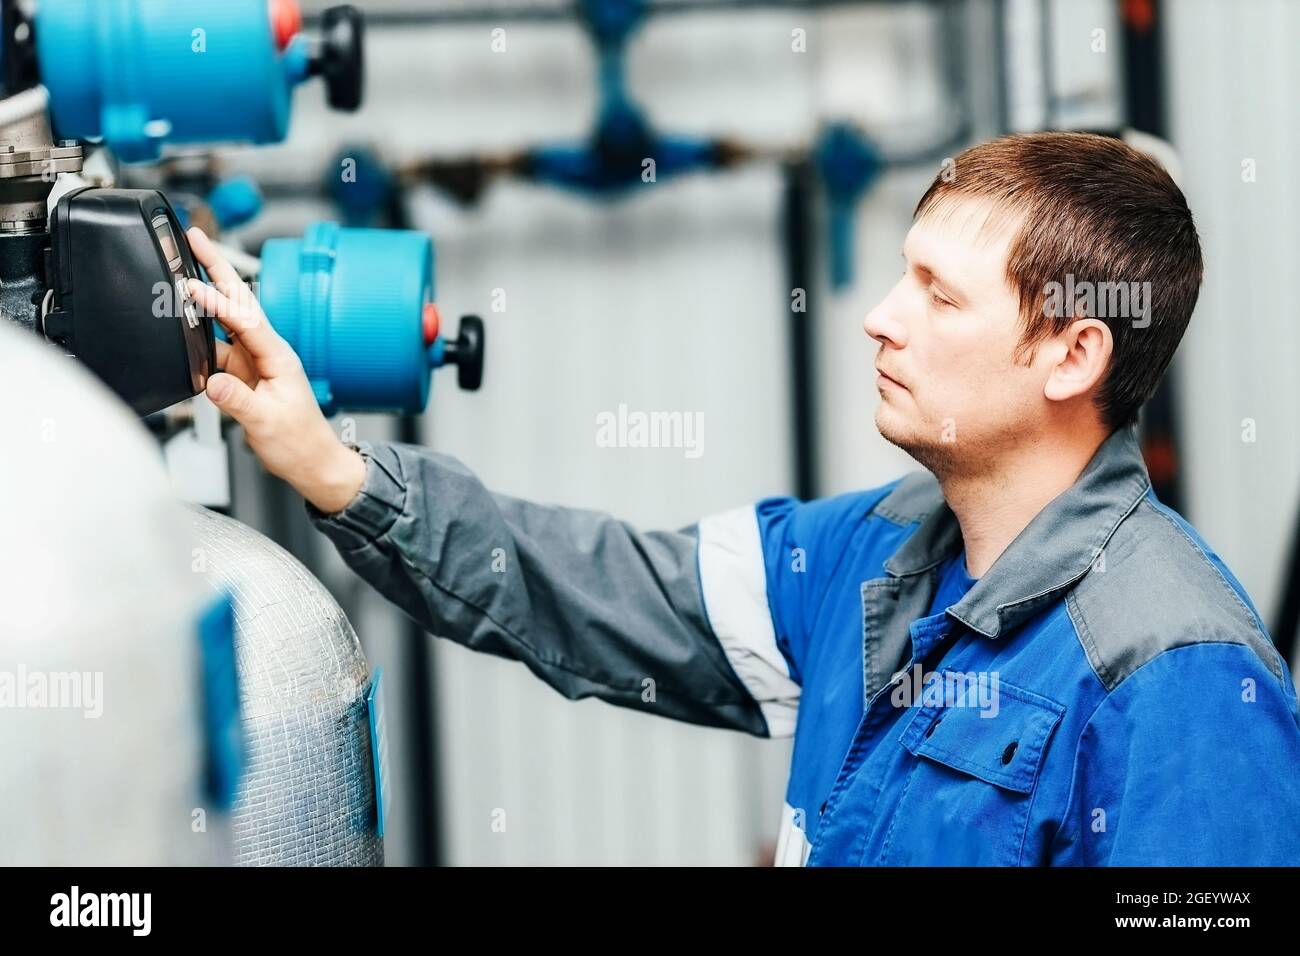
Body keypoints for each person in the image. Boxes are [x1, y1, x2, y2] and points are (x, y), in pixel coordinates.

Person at [186, 131, 1300, 866]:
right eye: (898, 274)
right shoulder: (870, 557)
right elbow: (606, 586)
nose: (879, 316)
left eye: (936, 295)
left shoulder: (1178, 675)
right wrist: (332, 466)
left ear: (1070, 354)